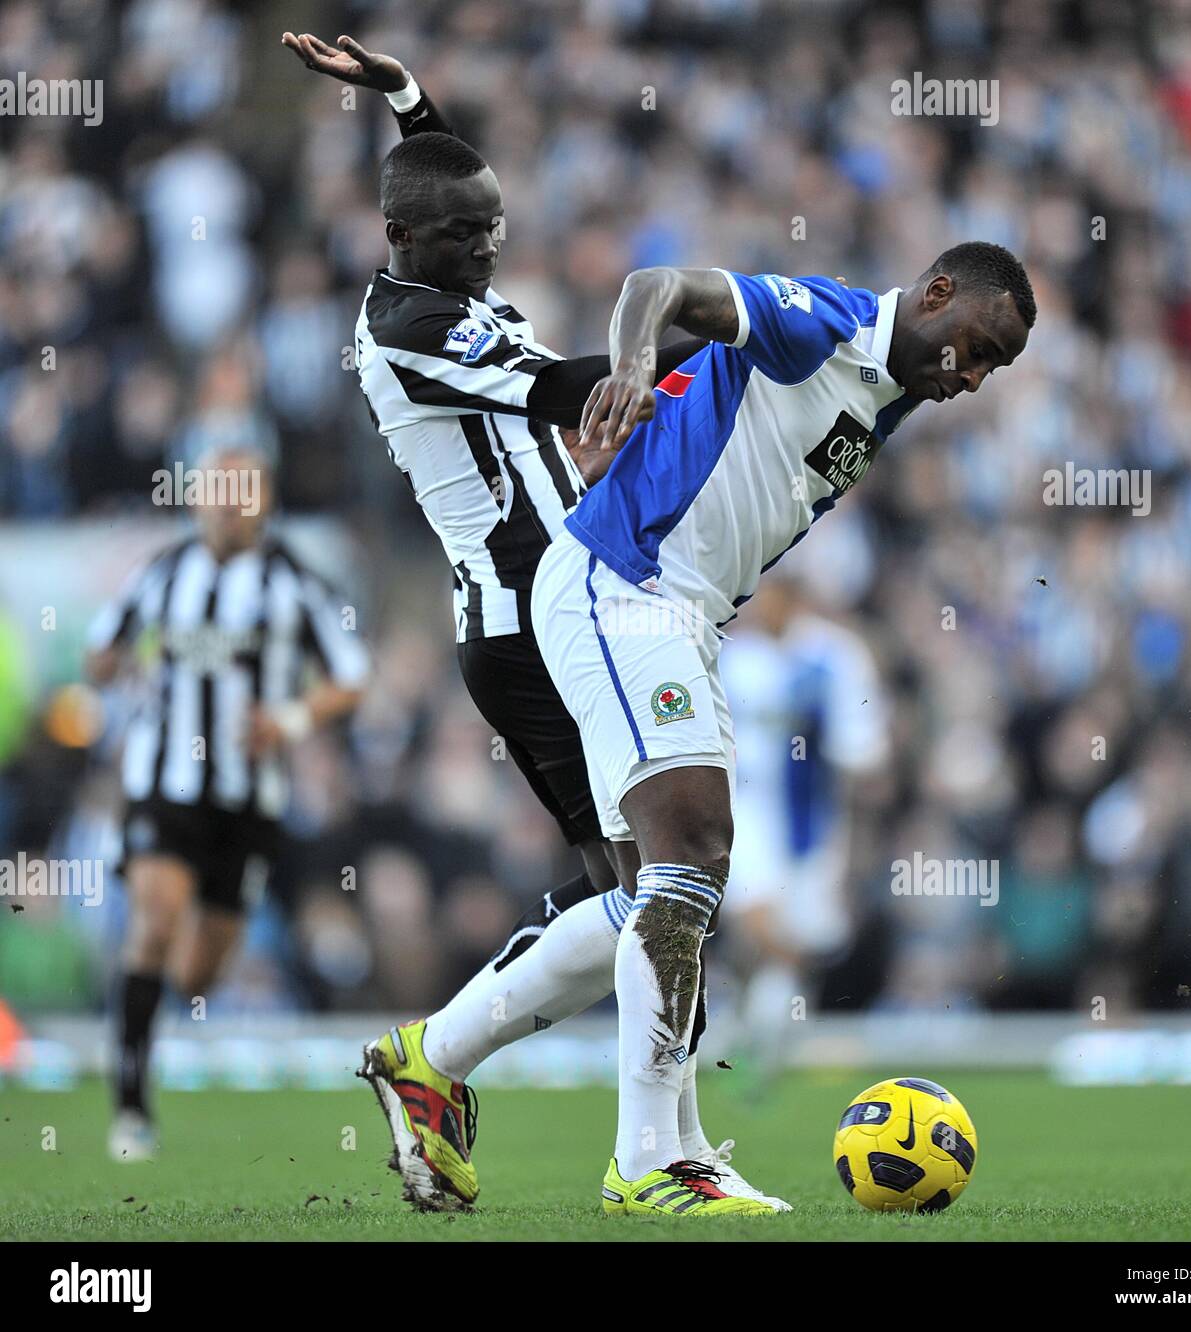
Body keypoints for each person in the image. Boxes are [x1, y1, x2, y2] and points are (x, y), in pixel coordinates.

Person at [281, 33, 783, 1213]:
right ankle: (636, 1146)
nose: (485, 247)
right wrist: (731, 345)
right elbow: (576, 389)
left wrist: (403, 94)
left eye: (494, 229)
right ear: (403, 241)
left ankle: (443, 1067)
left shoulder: (434, 266)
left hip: (566, 617)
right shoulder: (415, 328)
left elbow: (441, 172)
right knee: (665, 887)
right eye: (465, 236)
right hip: (526, 631)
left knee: (658, 892)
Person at [530, 245, 1035, 1214]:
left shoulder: (886, 395)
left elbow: (724, 410)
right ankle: (644, 1162)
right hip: (626, 585)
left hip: (678, 613)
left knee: (661, 884)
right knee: (696, 851)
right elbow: (658, 288)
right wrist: (633, 370)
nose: (970, 378)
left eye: (991, 370)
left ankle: (672, 1146)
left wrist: (661, 401)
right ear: (933, 294)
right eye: (975, 347)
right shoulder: (830, 322)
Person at [86, 446, 369, 1160]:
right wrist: (122, 668)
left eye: (242, 492)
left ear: (264, 503)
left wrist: (291, 720)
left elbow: (350, 677)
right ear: (196, 499)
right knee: (153, 921)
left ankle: (150, 1006)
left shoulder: (292, 584)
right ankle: (130, 1106)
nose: (227, 505)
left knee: (199, 971)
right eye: (216, 491)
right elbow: (100, 652)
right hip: (164, 785)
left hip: (248, 803)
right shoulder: (162, 573)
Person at [721, 574, 890, 1079]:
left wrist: (858, 841)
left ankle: (761, 1042)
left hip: (814, 820)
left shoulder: (833, 657)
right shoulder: (733, 657)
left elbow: (861, 754)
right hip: (744, 810)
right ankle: (766, 1029)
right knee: (757, 918)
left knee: (803, 944)